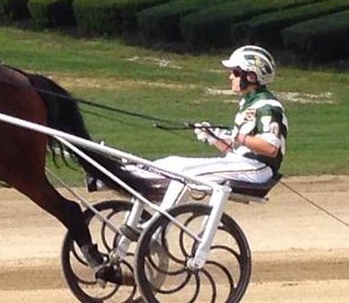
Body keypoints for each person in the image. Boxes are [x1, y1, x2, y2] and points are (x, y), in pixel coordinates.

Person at [123, 45, 288, 209]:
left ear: (252, 76)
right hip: (243, 164)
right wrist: (212, 138)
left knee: (187, 175)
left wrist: (238, 136)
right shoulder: (248, 103)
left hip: (258, 169)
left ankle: (158, 226)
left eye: (236, 73)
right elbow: (235, 152)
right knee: (172, 163)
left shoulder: (267, 106)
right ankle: (130, 176)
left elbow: (270, 148)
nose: (231, 76)